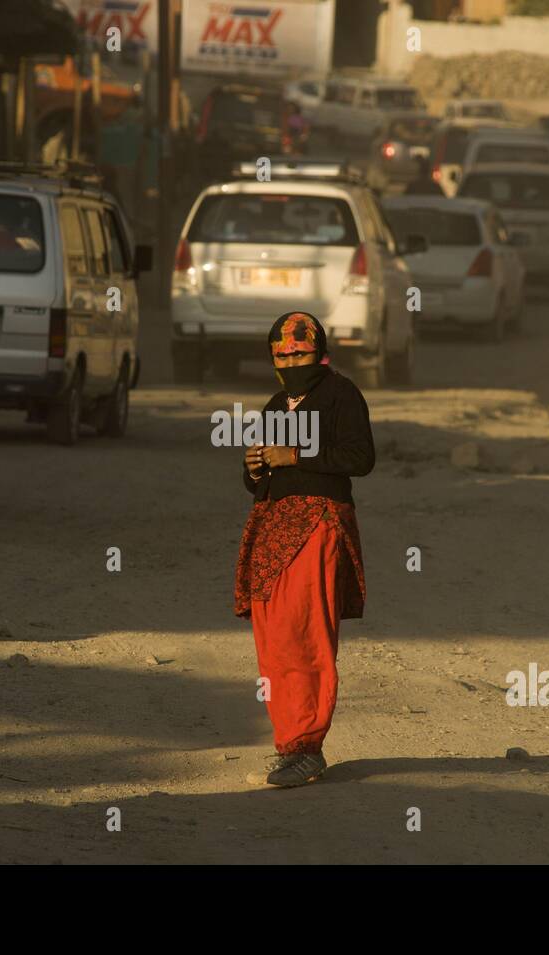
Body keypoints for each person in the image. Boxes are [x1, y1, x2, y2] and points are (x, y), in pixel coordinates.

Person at [234, 311, 374, 787]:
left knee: (305, 634)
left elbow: (360, 458)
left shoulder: (341, 395)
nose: (292, 359)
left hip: (319, 524)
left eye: (300, 352)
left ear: (321, 353)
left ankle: (308, 744)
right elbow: (258, 478)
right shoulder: (275, 405)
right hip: (273, 528)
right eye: (283, 354)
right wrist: (254, 467)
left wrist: (294, 455)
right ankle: (289, 743)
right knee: (273, 638)